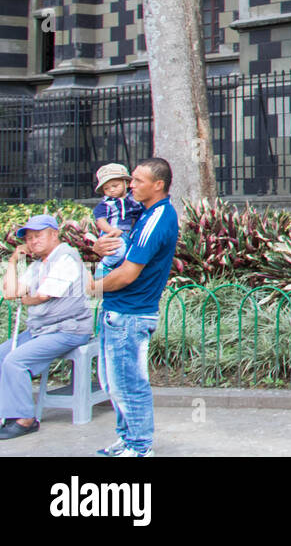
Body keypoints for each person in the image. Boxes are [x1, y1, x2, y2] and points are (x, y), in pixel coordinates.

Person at [88, 157, 179, 457]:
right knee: (115, 383)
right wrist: (100, 247)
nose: (131, 185)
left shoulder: (158, 217)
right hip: (120, 311)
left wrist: (91, 287)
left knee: (129, 384)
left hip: (130, 312)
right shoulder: (143, 215)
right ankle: (127, 439)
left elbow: (128, 273)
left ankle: (139, 447)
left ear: (158, 185)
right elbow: (121, 250)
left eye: (138, 180)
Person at [0, 214, 94, 439]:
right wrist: (13, 261)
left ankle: (25, 419)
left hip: (69, 329)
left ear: (54, 234)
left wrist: (26, 297)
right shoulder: (38, 265)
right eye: (29, 238)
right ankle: (7, 411)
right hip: (42, 329)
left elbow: (41, 296)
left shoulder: (65, 258)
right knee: (1, 354)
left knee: (15, 361)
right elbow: (10, 292)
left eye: (38, 235)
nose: (33, 242)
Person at [90, 162, 144, 279]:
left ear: (126, 183)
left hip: (127, 233)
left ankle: (115, 274)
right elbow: (101, 220)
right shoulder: (106, 204)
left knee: (127, 254)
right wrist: (111, 230)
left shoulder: (133, 199)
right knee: (118, 251)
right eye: (106, 188)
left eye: (115, 186)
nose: (111, 190)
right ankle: (103, 268)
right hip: (113, 233)